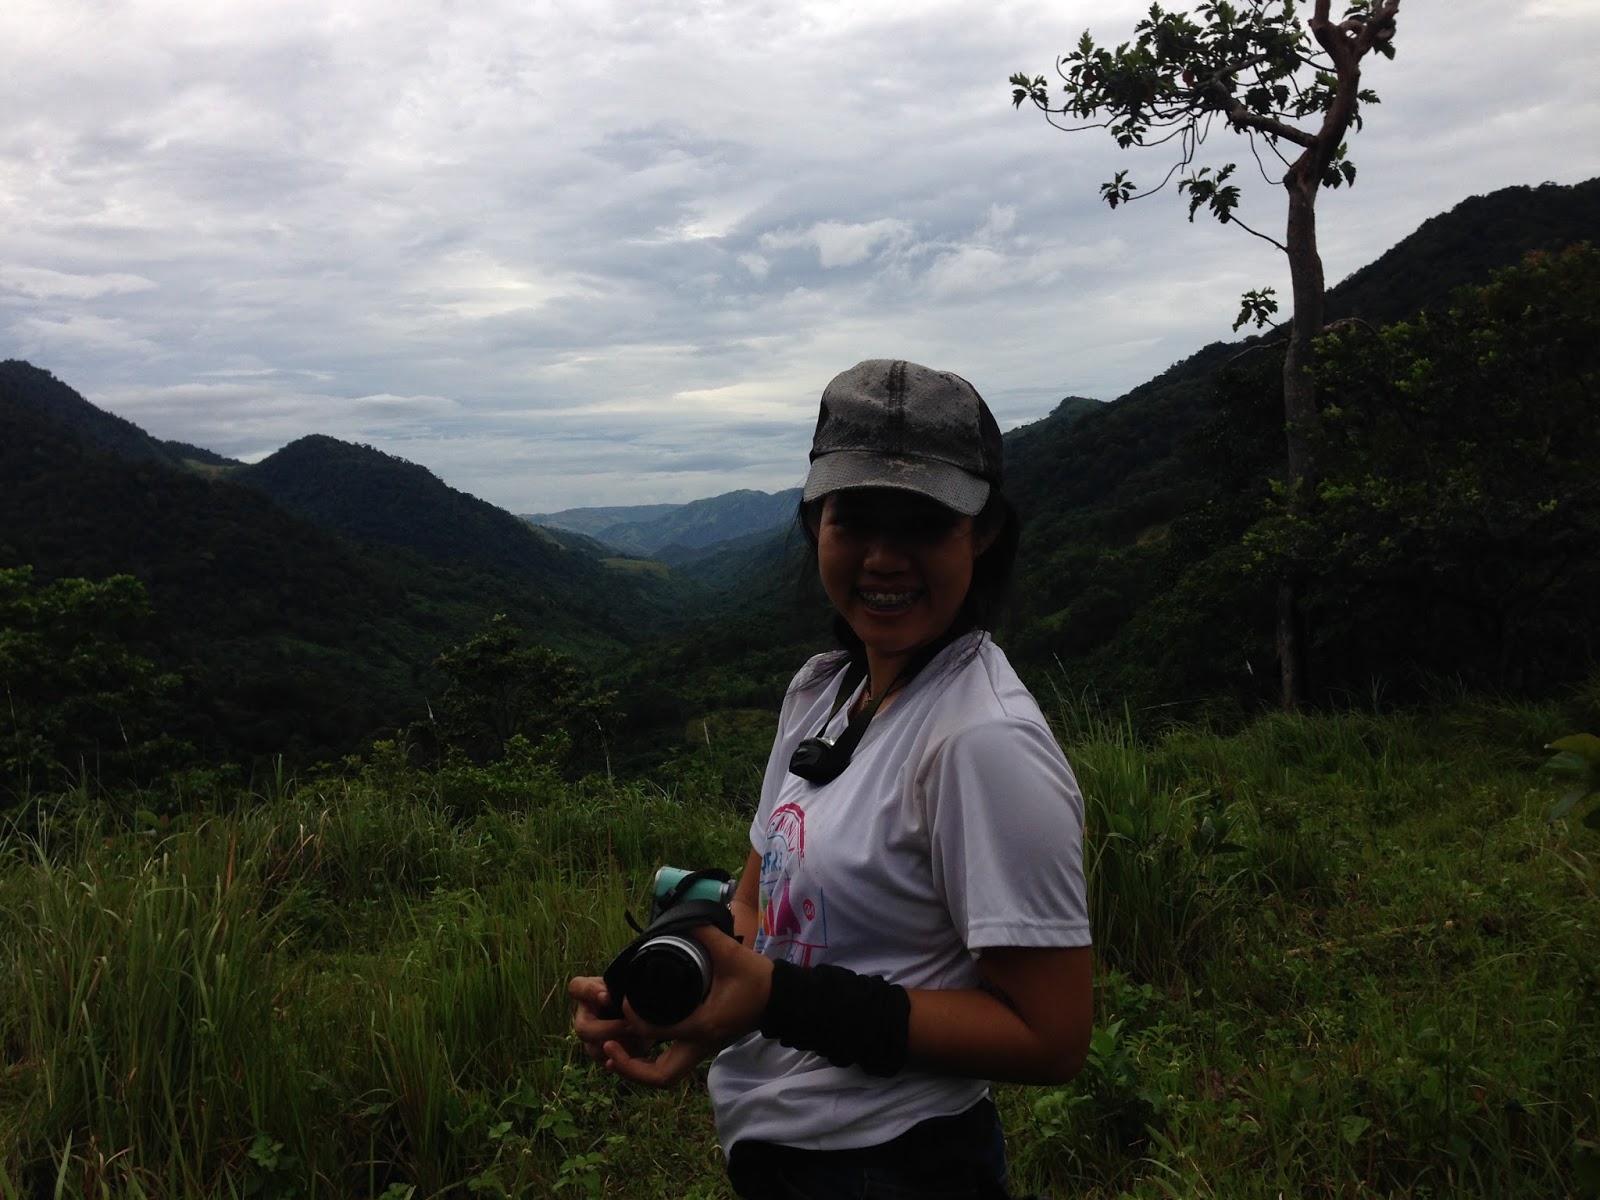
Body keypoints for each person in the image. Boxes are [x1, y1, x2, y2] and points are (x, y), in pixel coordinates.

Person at [570, 359, 1092, 1199]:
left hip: (899, 1163)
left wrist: (775, 1002)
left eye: (921, 522)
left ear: (983, 531)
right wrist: (680, 989)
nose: (884, 558)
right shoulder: (825, 690)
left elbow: (1052, 1037)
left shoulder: (982, 740)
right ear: (817, 522)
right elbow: (754, 908)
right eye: (854, 520)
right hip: (783, 1148)